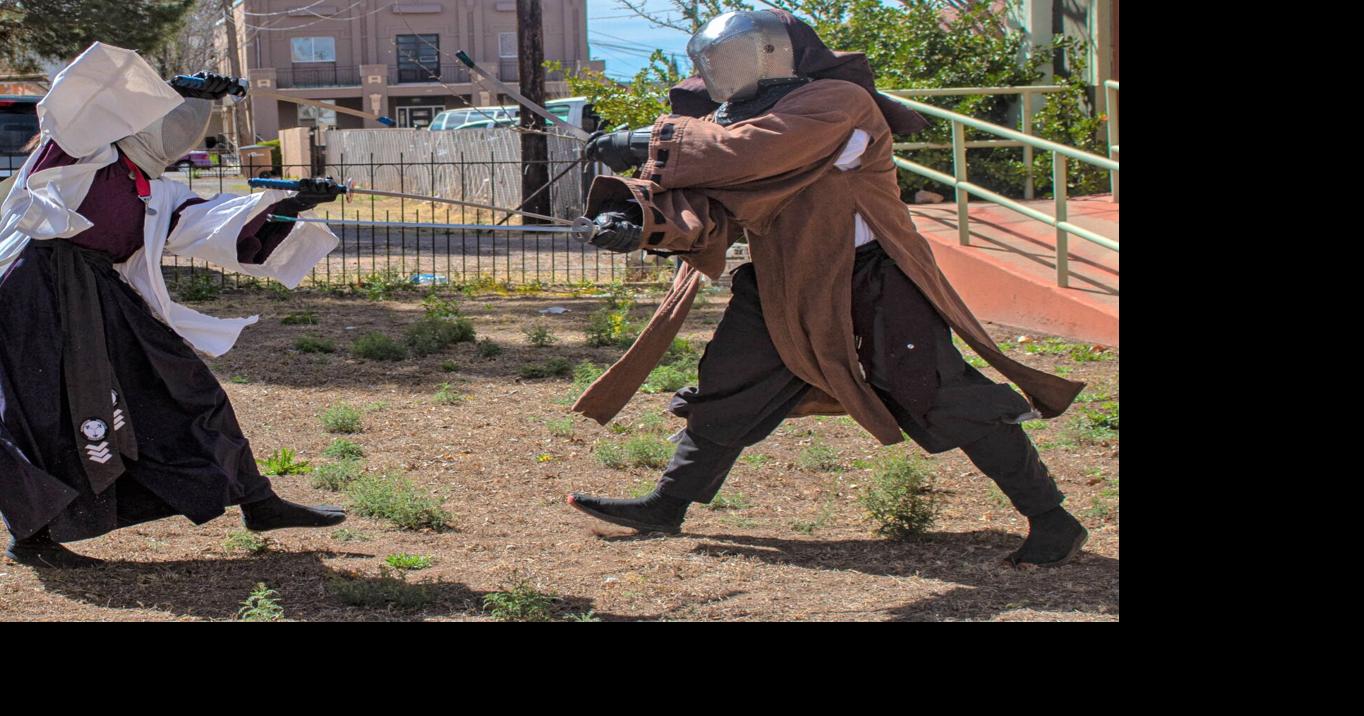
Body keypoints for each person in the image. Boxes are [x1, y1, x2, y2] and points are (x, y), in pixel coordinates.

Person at [568, 10, 1089, 567]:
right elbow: (712, 205)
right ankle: (668, 504)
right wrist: (634, 221)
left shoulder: (836, 102)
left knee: (934, 389)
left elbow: (753, 152)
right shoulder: (728, 124)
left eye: (727, 54)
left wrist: (641, 140)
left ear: (772, 52)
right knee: (731, 382)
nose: (717, 67)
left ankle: (1052, 519)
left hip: (875, 275)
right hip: (783, 277)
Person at [1, 44, 347, 568]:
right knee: (40, 410)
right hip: (32, 291)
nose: (180, 132)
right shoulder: (79, 152)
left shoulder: (156, 191)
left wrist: (291, 204)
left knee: (185, 385)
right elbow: (79, 97)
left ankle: (257, 499)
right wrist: (176, 87)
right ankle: (32, 538)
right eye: (173, 118)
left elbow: (221, 228)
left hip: (101, 294)